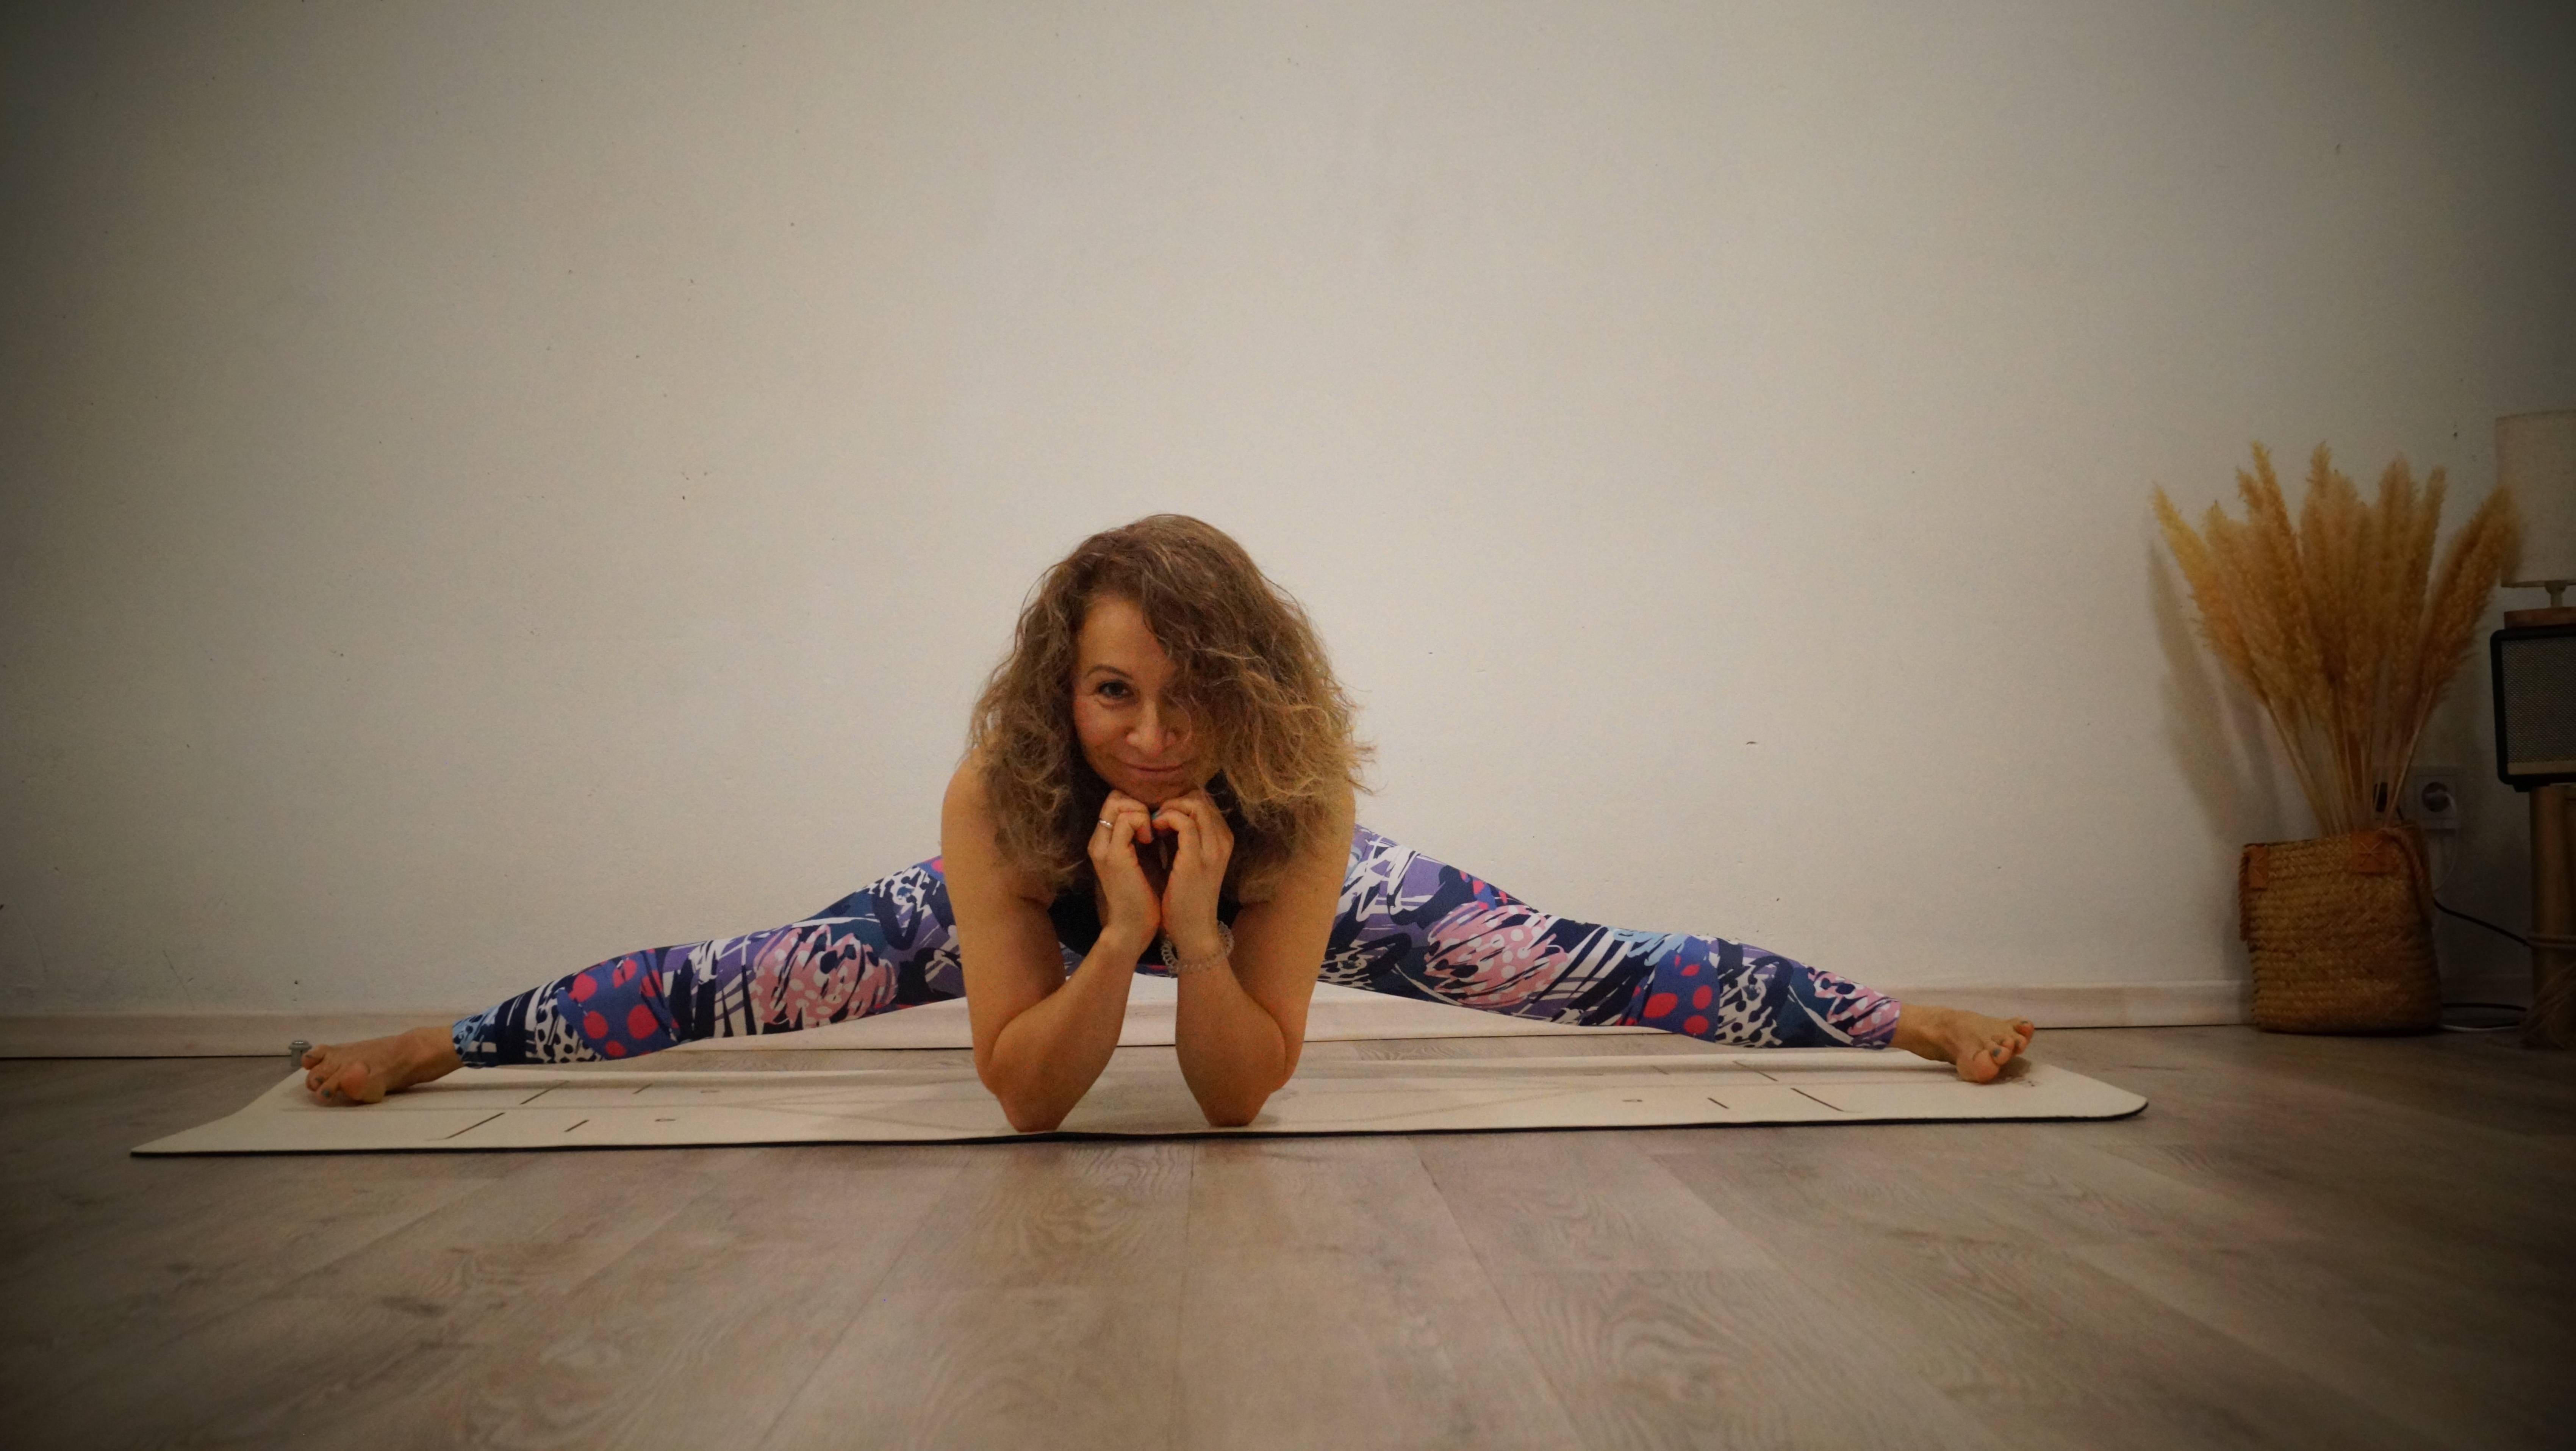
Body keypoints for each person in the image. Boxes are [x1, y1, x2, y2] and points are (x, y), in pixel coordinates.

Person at [302, 515, 2035, 1129]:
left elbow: (1230, 1097)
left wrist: (1197, 936)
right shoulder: (999, 794)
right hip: (1056, 910)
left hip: (1259, 891)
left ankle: (1896, 1015)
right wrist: (1116, 933)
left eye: (1189, 695)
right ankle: (447, 1041)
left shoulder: (1295, 783)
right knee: (733, 977)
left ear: (1247, 692)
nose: (1149, 738)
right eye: (1113, 693)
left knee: (1589, 966)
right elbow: (1026, 1101)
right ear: (1061, 690)